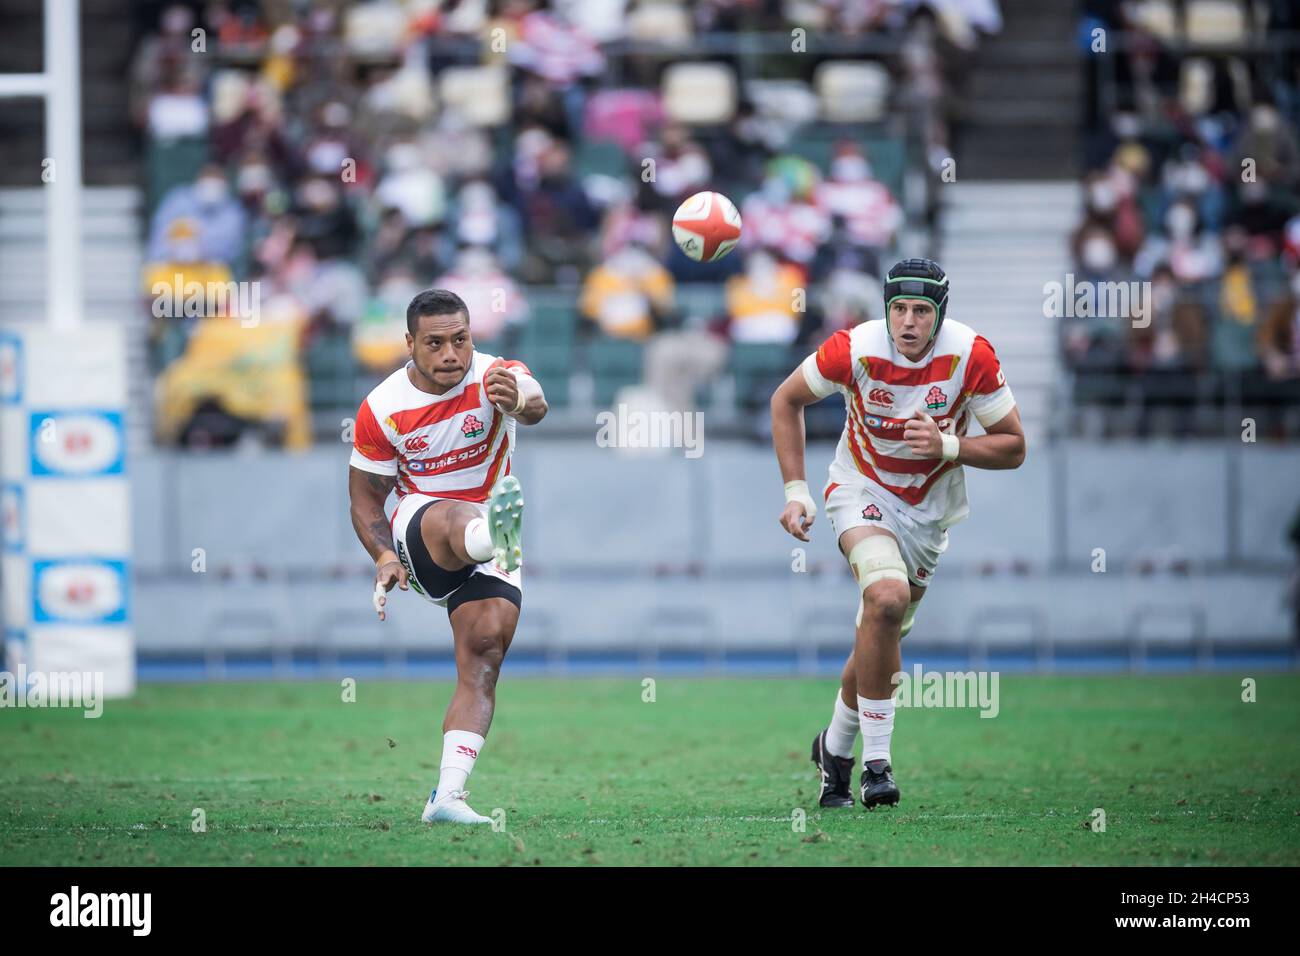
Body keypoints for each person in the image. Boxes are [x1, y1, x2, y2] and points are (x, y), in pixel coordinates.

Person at [769, 258, 1026, 809]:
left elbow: (1014, 446)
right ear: (886, 312)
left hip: (929, 514)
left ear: (940, 315)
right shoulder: (855, 348)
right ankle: (877, 765)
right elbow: (785, 400)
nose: (908, 322)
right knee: (885, 597)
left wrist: (948, 447)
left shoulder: (970, 355)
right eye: (899, 309)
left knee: (880, 631)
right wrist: (796, 490)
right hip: (859, 489)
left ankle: (834, 750)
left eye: (921, 311)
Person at [348, 289, 547, 824]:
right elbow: (366, 497)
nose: (451, 355)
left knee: (484, 655)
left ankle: (447, 797)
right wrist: (383, 556)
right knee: (455, 517)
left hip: (492, 531)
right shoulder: (382, 407)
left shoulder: (495, 374)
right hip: (423, 533)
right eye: (434, 343)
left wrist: (518, 400)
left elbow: (534, 404)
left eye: (460, 339)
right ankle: (491, 537)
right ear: (410, 343)